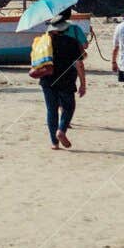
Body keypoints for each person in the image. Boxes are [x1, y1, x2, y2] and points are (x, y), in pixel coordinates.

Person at [39, 10, 87, 149]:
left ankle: (54, 143)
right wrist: (83, 84)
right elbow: (79, 63)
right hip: (66, 79)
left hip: (47, 79)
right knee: (69, 107)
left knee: (51, 109)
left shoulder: (44, 42)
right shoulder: (71, 42)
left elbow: (36, 60)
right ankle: (61, 130)